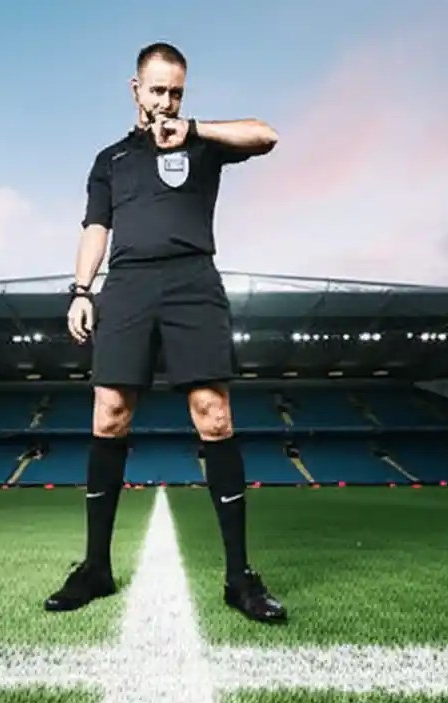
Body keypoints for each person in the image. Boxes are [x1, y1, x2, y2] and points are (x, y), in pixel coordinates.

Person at [43, 42, 286, 624]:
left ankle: (238, 577)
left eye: (176, 91)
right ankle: (95, 567)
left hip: (192, 281)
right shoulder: (110, 159)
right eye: (157, 90)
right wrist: (81, 290)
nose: (166, 101)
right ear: (135, 90)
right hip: (126, 285)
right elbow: (95, 227)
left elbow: (267, 134)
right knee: (109, 414)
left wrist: (195, 127)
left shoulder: (205, 144)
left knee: (214, 414)